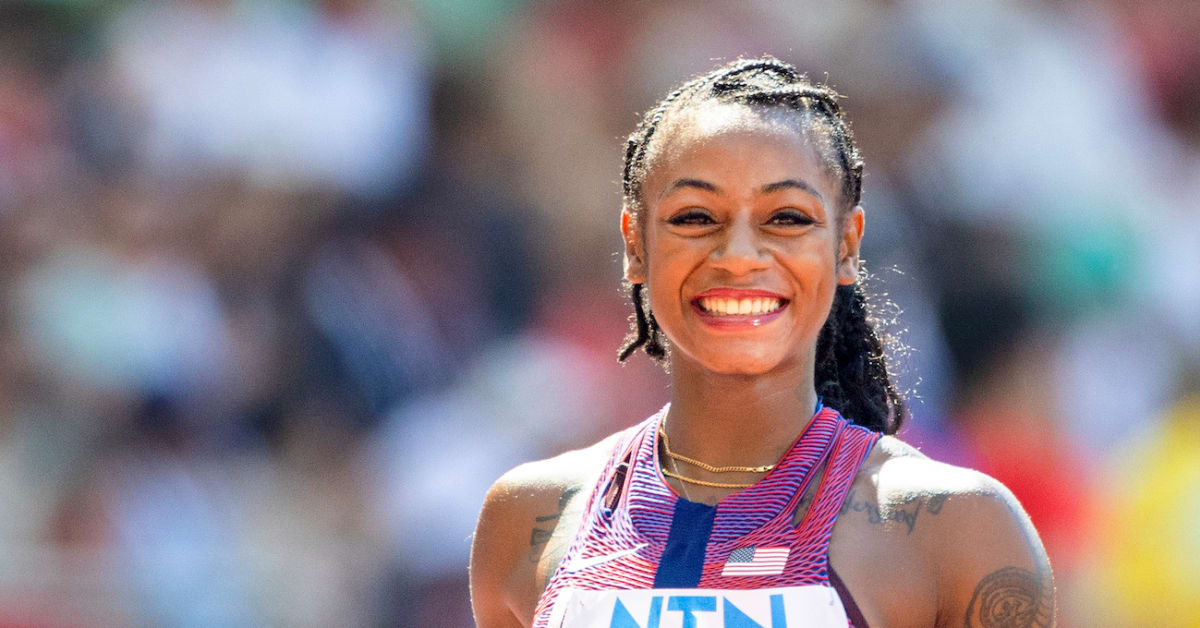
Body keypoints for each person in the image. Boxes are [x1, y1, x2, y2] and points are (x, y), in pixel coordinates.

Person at [470, 57, 1053, 628]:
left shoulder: (958, 529)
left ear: (847, 245)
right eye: (696, 217)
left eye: (788, 218)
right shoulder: (527, 518)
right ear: (635, 246)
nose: (740, 256)